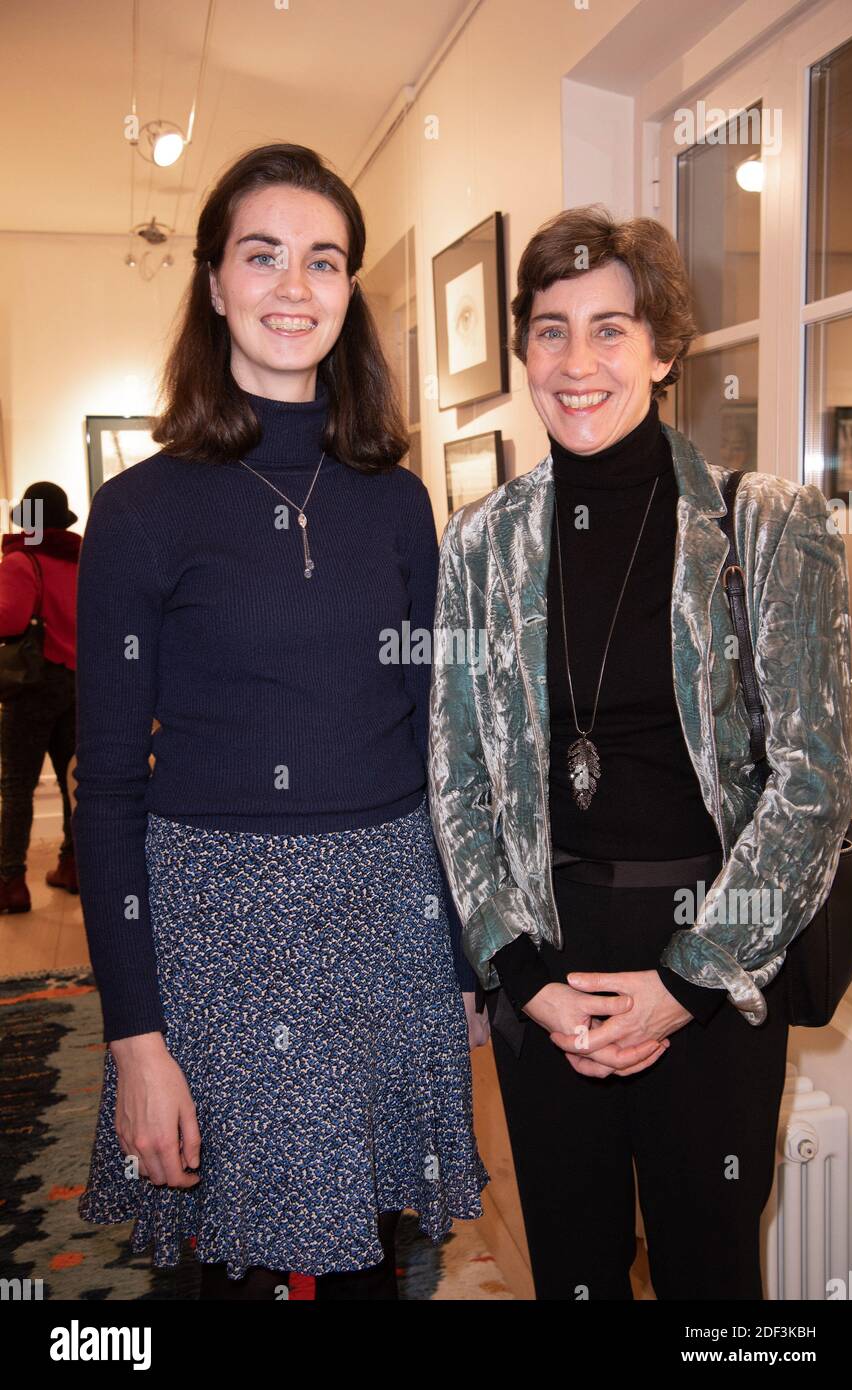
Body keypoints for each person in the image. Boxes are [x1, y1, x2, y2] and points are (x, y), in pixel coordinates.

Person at [75, 142, 488, 1301]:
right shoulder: (140, 511)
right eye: (262, 257)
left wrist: (456, 954)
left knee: (375, 1255)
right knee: (244, 1272)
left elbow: (434, 744)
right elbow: (106, 787)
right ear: (212, 282)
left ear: (351, 289)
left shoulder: (399, 500)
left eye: (324, 261)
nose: (294, 287)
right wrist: (135, 1037)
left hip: (388, 918)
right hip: (218, 930)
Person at [427, 205, 852, 1300]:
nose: (576, 362)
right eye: (550, 329)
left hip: (712, 956)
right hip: (547, 961)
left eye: (609, 330)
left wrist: (688, 982)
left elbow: (809, 784)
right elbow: (456, 774)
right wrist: (522, 979)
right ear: (522, 347)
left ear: (662, 350)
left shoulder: (761, 523)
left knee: (710, 1267)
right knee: (571, 1267)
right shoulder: (477, 545)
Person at [0, 481, 80, 910]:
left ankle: (11, 882)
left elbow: (9, 621)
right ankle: (72, 866)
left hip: (32, 687)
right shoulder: (80, 563)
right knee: (74, 782)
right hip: (76, 684)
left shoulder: (21, 561)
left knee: (17, 786)